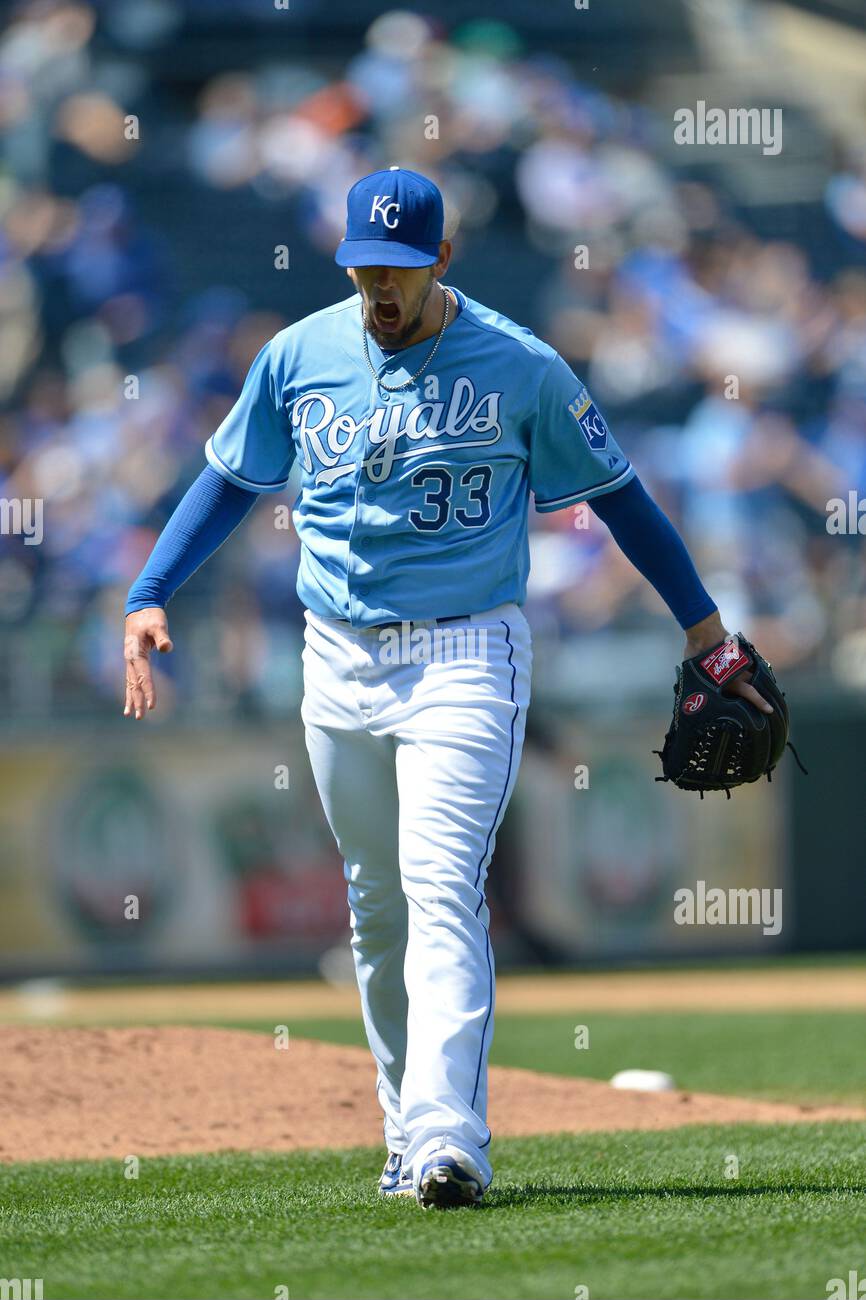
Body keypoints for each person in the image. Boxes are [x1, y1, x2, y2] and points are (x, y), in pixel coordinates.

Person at [124, 167, 771, 1208]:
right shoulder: (298, 355)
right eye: (362, 267)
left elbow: (620, 499)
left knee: (437, 887)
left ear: (441, 260)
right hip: (334, 653)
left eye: (397, 269)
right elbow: (230, 480)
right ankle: (399, 1129)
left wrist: (704, 629)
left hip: (468, 652)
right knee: (374, 907)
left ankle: (446, 1140)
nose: (378, 287)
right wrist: (149, 591)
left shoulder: (520, 366)